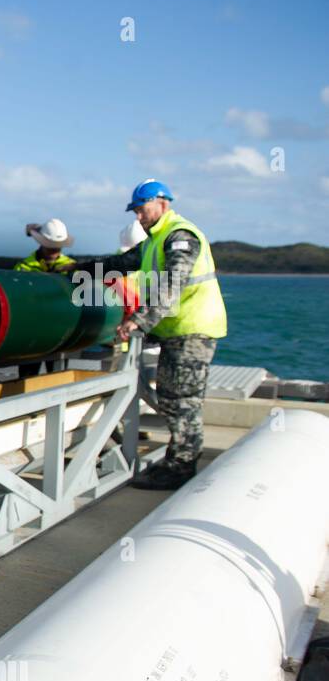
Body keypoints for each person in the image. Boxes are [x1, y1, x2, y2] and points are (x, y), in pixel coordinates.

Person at [64, 180, 227, 490]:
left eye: (142, 210)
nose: (139, 217)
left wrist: (137, 321)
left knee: (182, 399)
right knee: (169, 396)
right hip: (176, 330)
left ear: (162, 203)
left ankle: (181, 466)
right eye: (136, 211)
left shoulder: (180, 236)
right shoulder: (155, 239)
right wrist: (77, 269)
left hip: (192, 329)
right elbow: (121, 263)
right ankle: (178, 458)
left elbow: (171, 286)